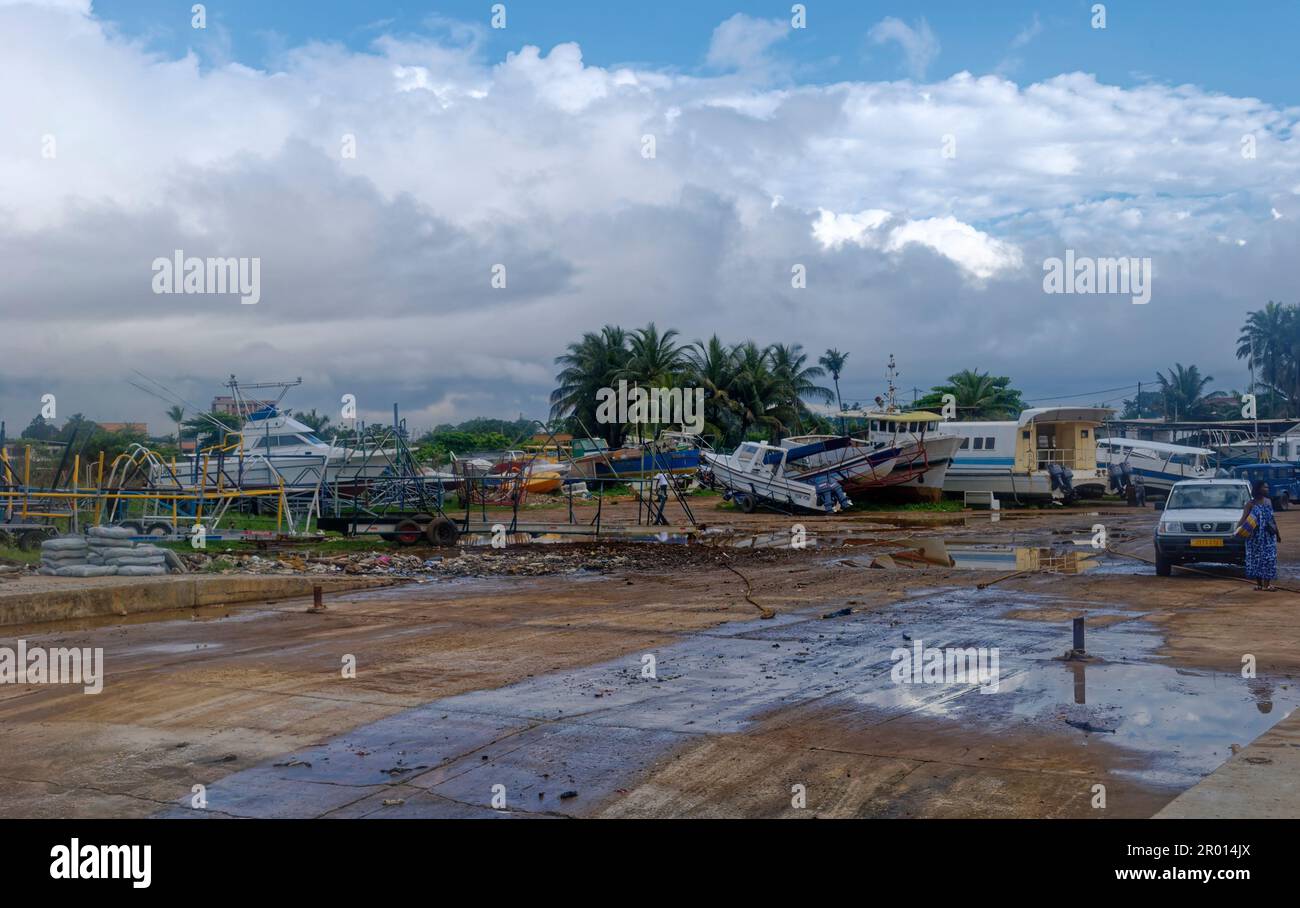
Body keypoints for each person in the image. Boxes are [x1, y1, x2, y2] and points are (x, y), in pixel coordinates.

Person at [1239, 480, 1281, 591]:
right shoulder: (1250, 504)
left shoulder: (1268, 502)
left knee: (1269, 559)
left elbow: (1272, 519)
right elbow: (1243, 519)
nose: (1267, 489)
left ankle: (1267, 585)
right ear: (1258, 489)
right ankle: (1259, 584)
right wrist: (1236, 531)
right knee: (1256, 559)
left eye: (1267, 487)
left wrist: (1278, 534)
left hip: (1268, 537)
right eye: (1265, 487)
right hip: (1254, 538)